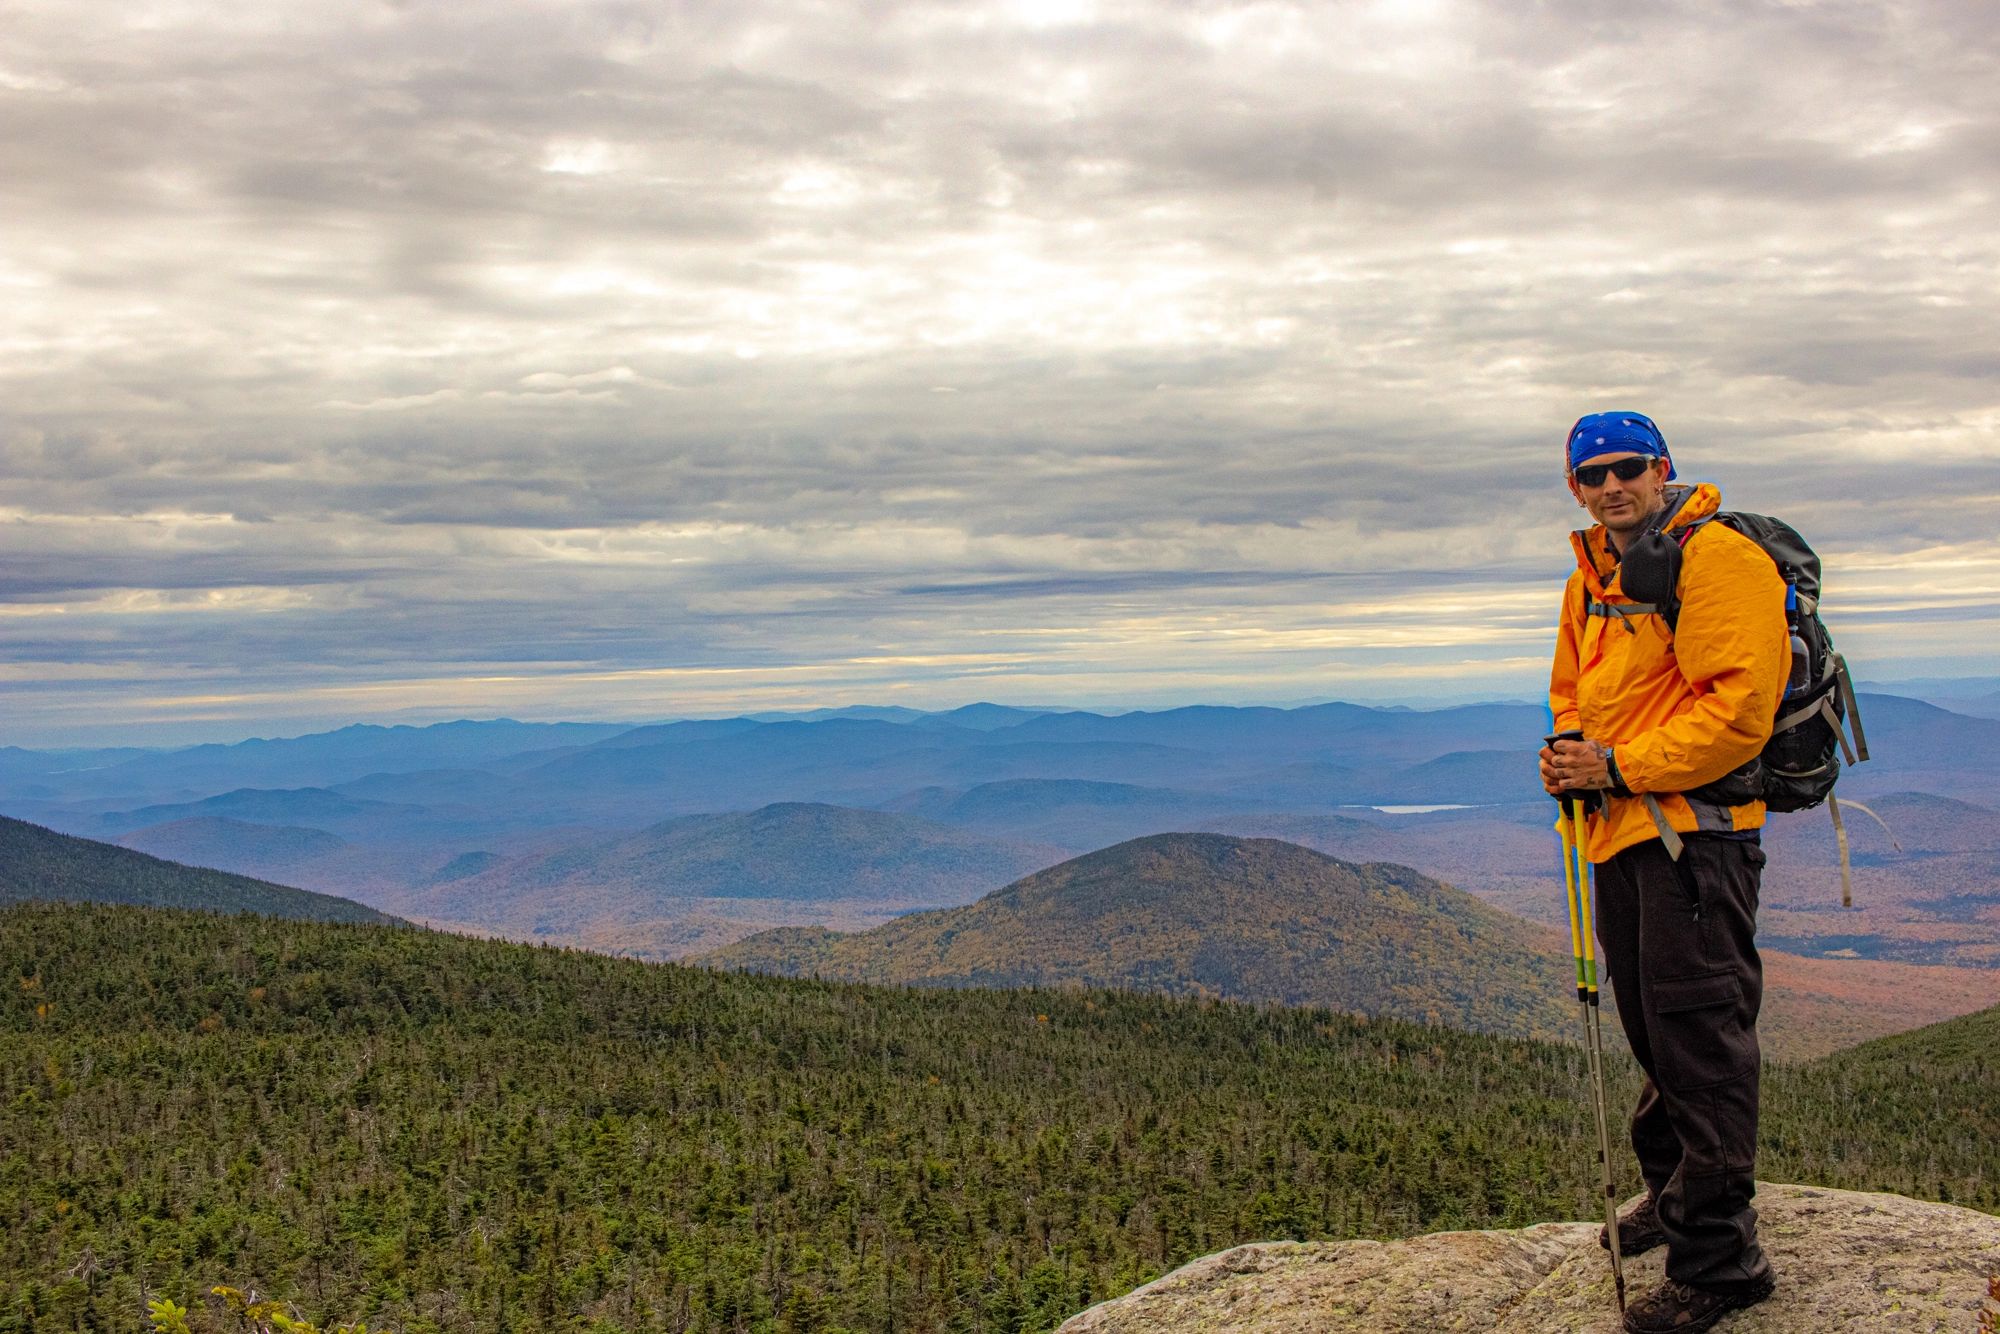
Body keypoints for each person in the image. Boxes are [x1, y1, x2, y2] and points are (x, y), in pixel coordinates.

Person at [1539, 412, 1787, 1334]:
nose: (1612, 487)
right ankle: (1675, 1191)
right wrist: (1567, 755)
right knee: (1651, 1024)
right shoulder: (1591, 574)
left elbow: (1739, 713)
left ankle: (1722, 1265)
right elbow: (1575, 692)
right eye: (1593, 475)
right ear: (1575, 487)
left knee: (1700, 1038)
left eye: (1628, 469)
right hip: (1621, 831)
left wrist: (1617, 766)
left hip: (1698, 835)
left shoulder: (1718, 559)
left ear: (1663, 468)